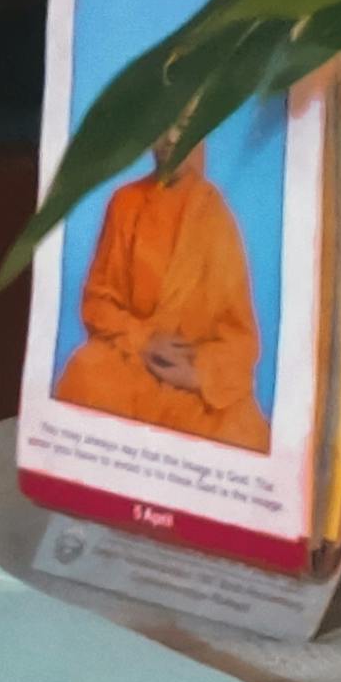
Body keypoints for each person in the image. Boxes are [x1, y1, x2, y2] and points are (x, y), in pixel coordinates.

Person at [53, 135, 270, 452]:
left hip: (190, 377)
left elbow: (241, 338)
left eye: (183, 126)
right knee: (85, 376)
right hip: (131, 362)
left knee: (239, 437)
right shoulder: (125, 203)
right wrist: (142, 339)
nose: (170, 138)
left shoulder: (216, 219)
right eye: (163, 124)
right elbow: (97, 302)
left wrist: (198, 376)